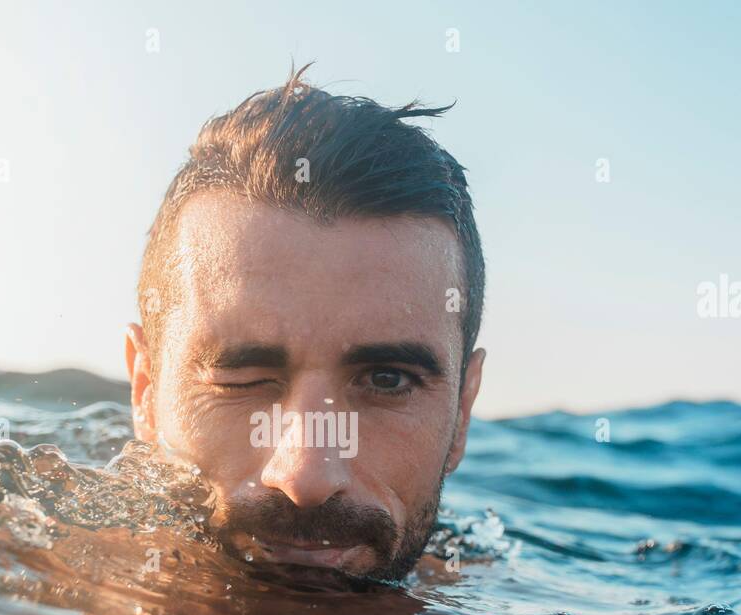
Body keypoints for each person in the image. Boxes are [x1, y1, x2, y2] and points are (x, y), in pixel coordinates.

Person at [126, 64, 486, 582]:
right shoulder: (26, 589)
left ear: (462, 411)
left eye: (388, 380)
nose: (307, 477)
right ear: (145, 391)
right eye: (243, 379)